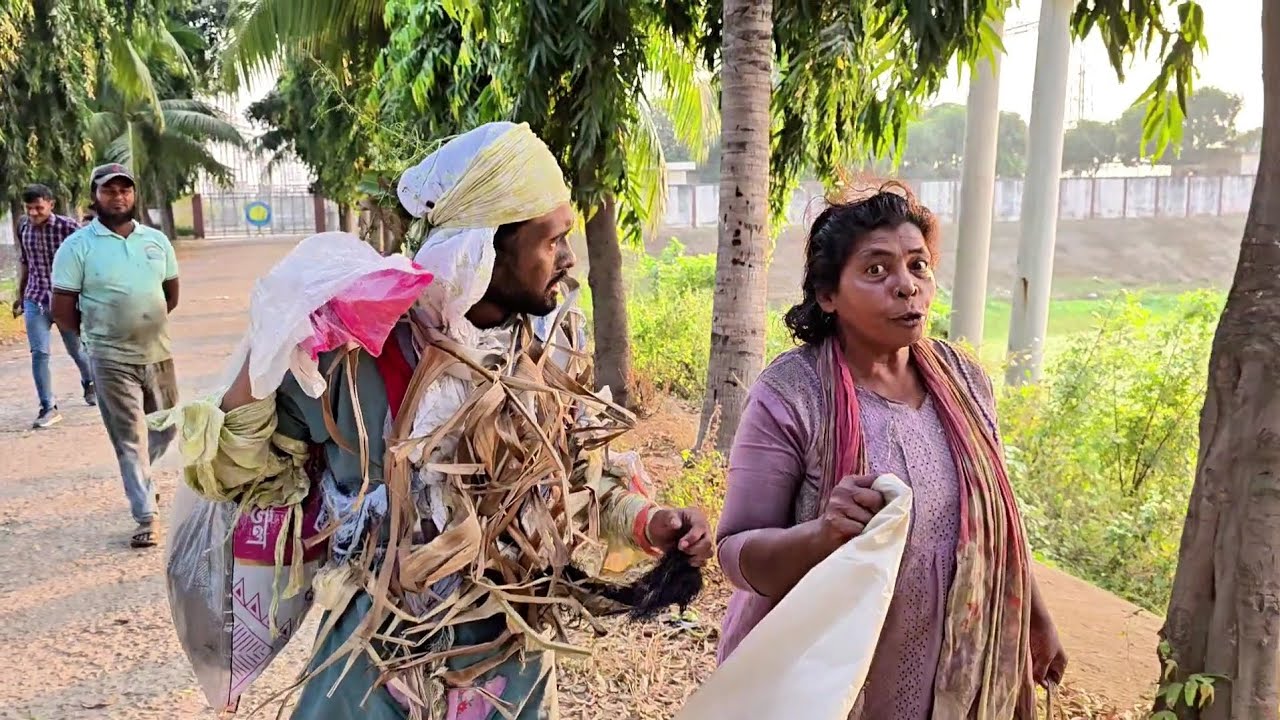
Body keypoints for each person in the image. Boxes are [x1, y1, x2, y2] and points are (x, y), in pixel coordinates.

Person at [181, 122, 712, 719]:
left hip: (507, 659)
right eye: (551, 240)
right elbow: (235, 473)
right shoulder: (356, 357)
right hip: (378, 665)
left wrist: (654, 522)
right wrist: (276, 336)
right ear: (488, 246)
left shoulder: (547, 357)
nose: (568, 261)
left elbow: (585, 486)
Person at [714, 184, 1067, 719]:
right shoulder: (793, 394)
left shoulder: (963, 380)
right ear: (829, 295)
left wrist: (1034, 619)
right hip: (828, 678)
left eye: (918, 266)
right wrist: (823, 533)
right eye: (876, 271)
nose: (907, 287)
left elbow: (994, 522)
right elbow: (735, 554)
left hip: (951, 662)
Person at [51, 163, 181, 548]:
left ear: (133, 195)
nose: (118, 196)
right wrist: (100, 338)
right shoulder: (78, 247)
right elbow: (63, 310)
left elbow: (170, 295)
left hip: (158, 352)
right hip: (109, 357)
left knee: (166, 427)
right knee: (128, 438)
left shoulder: (156, 241)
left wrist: (144, 320)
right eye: (109, 191)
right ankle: (146, 515)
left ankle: (143, 478)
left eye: (125, 190)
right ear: (95, 195)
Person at [13, 183, 96, 428]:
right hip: (35, 298)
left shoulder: (69, 228)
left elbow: (86, 264)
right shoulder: (24, 227)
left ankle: (89, 381)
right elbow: (26, 263)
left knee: (76, 349)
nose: (34, 213)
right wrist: (20, 296)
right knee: (39, 353)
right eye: (29, 209)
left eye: (38, 208)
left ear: (51, 204)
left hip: (66, 300)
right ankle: (48, 407)